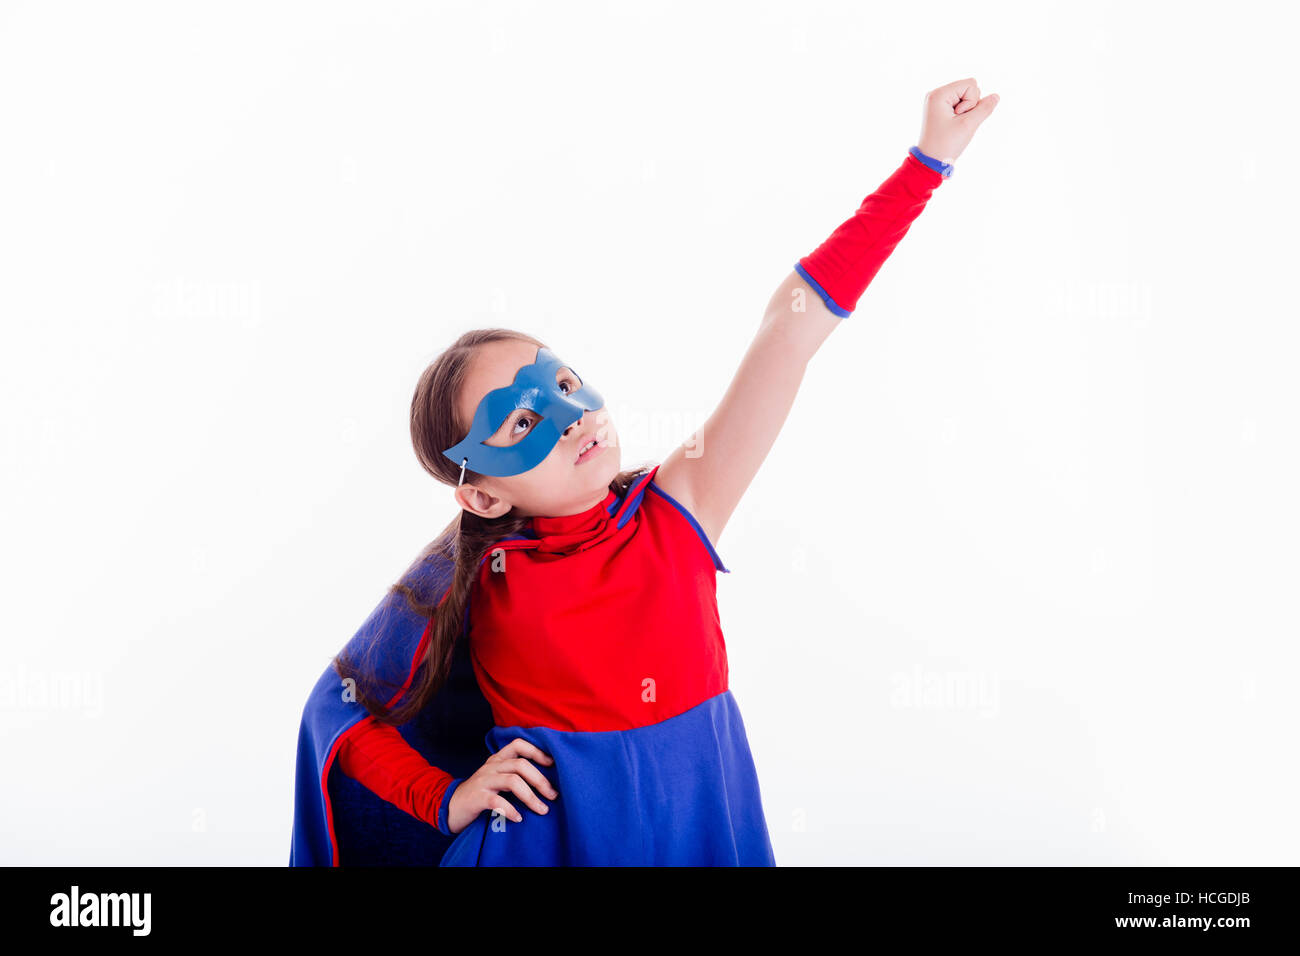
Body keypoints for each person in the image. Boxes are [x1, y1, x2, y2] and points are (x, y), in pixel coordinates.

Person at [290, 78, 999, 866]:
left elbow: (789, 330)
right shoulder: (469, 571)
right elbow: (339, 712)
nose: (573, 416)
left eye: (562, 385)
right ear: (482, 490)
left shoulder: (681, 504)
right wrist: (446, 797)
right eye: (522, 421)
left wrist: (927, 162)